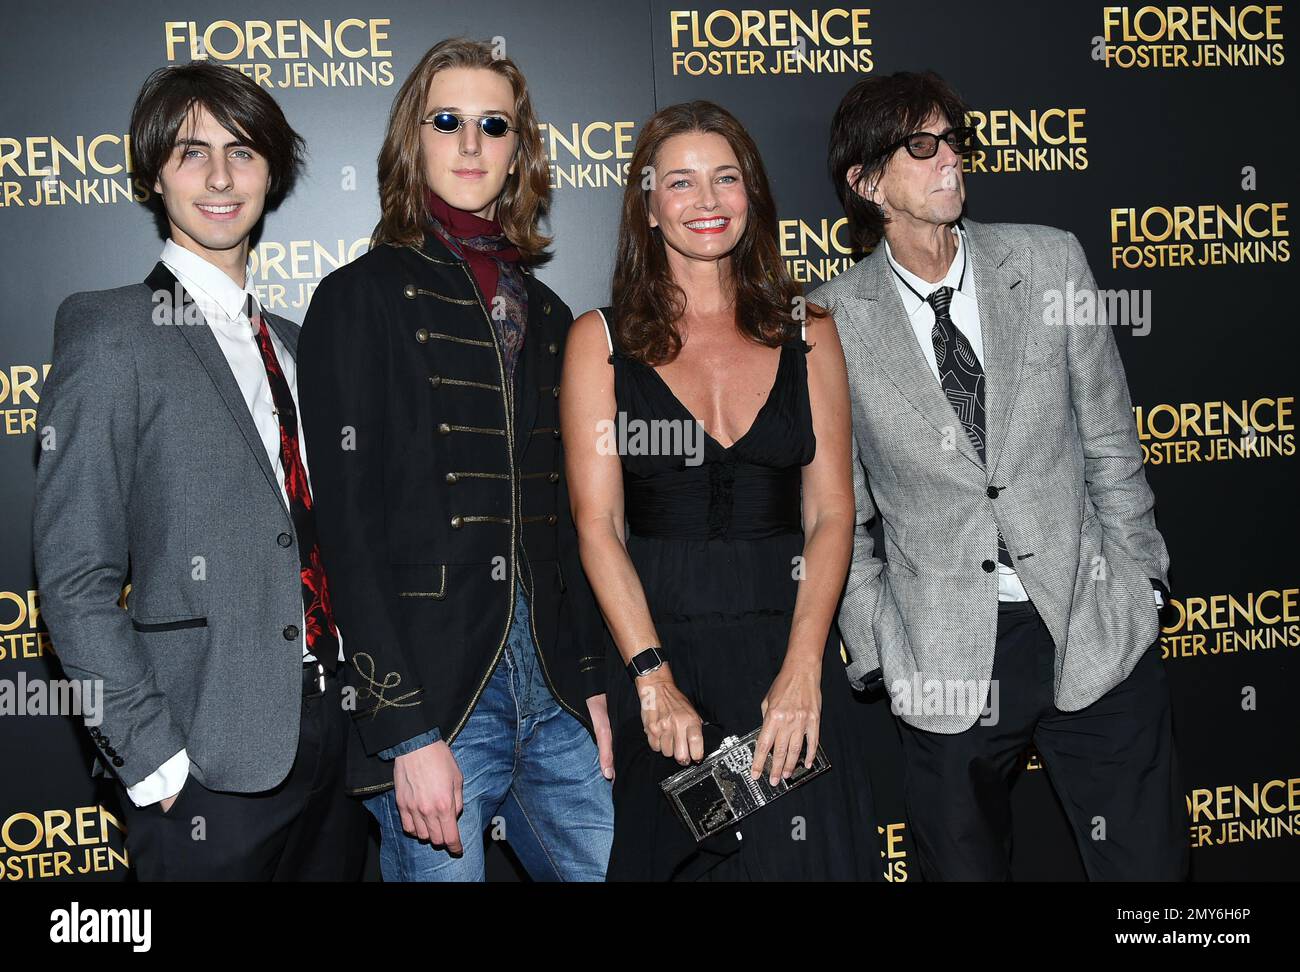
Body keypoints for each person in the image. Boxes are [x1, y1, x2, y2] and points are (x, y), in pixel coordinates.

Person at [810, 70, 1187, 880]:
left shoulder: (1050, 263)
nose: (949, 159)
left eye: (953, 140)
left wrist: (1141, 582)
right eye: (921, 145)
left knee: (1153, 879)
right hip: (945, 654)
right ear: (867, 181)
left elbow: (1111, 438)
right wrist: (879, 644)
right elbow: (839, 508)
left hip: (1091, 621)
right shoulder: (827, 322)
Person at [32, 61, 367, 880]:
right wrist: (153, 760)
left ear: (272, 173)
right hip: (206, 761)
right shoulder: (111, 332)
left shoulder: (299, 344)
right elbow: (74, 577)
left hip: (342, 749)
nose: (220, 176)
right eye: (191, 153)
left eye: (243, 151)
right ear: (154, 174)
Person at [297, 37, 613, 882]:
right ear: (414, 139)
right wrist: (402, 730)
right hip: (437, 702)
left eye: (492, 125)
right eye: (447, 121)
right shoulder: (355, 299)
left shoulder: (549, 313)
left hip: (554, 698)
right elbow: (346, 533)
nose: (470, 144)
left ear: (519, 153)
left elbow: (571, 523)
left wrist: (590, 685)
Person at [561, 100, 880, 880]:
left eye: (725, 178)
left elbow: (833, 512)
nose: (706, 202)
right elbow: (597, 523)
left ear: (753, 194)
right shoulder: (598, 342)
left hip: (787, 650)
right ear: (649, 204)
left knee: (807, 863)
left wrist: (804, 670)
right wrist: (653, 678)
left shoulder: (811, 329)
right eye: (681, 182)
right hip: (664, 659)